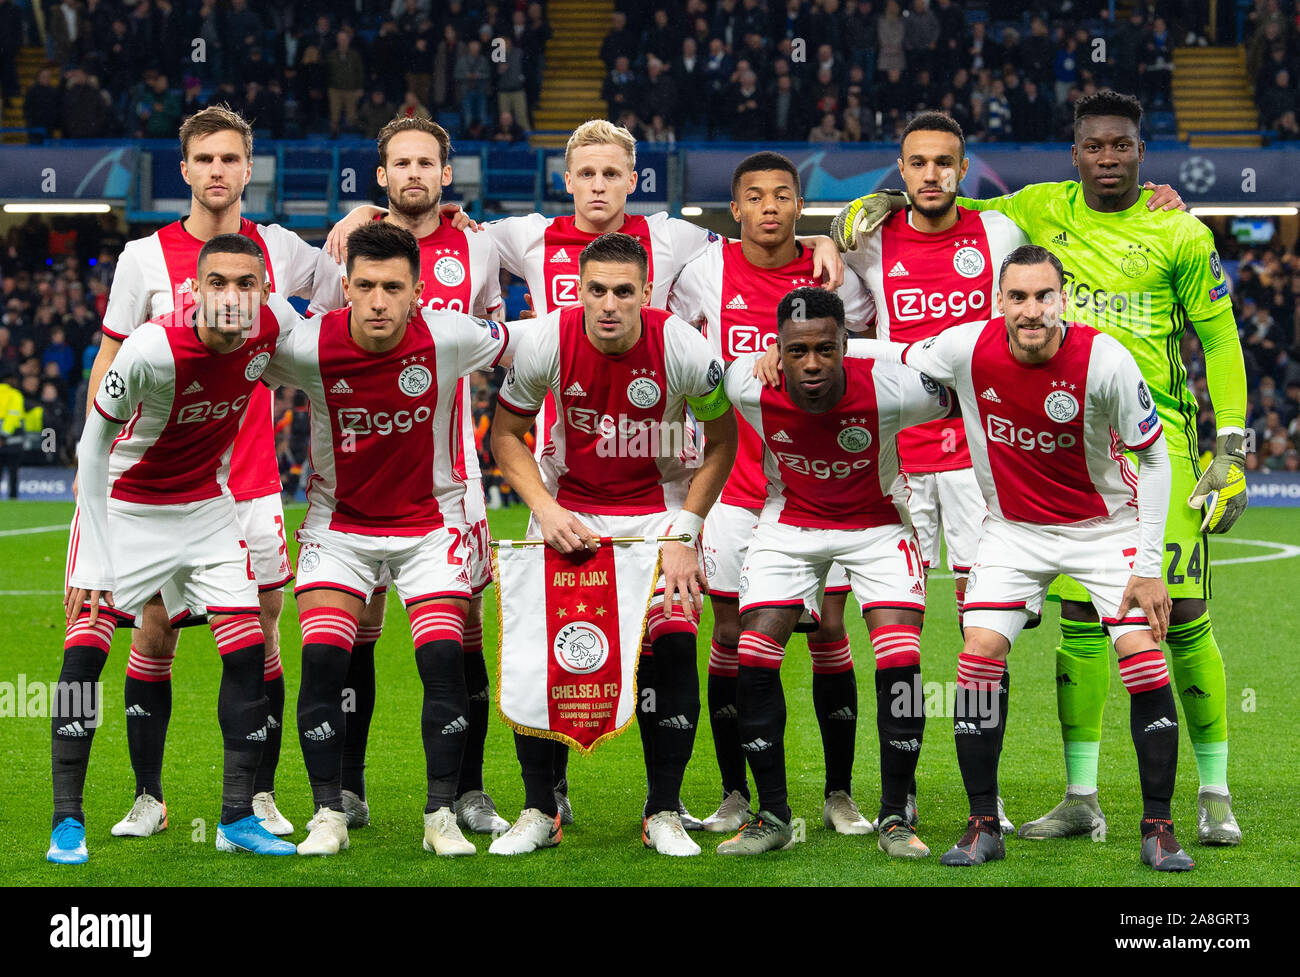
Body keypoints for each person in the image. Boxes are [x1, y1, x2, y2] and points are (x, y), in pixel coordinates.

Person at [833, 91, 1244, 846]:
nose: (1109, 158)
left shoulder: (1155, 265)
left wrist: (1234, 449)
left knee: (1174, 621)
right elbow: (937, 206)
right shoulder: (1024, 231)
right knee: (1040, 640)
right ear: (1076, 151)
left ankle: (1198, 801)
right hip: (1028, 496)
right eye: (1095, 146)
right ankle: (1040, 805)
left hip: (1139, 465)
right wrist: (876, 204)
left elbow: (1206, 363)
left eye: (1123, 146)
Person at [847, 245, 1192, 872]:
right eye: (1018, 297)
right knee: (977, 655)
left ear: (1063, 299)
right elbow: (892, 352)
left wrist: (1146, 565)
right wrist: (799, 348)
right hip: (1012, 529)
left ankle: (1159, 825)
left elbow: (1155, 456)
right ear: (998, 300)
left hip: (1102, 527)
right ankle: (983, 823)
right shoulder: (967, 348)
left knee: (1140, 656)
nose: (1031, 311)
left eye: (1043, 296)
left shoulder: (1105, 359)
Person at [83, 106, 373, 843]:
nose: (217, 171)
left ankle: (259, 796)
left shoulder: (277, 249)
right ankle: (150, 796)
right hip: (163, 480)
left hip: (248, 482)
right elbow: (111, 357)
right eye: (204, 159)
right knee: (154, 631)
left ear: (250, 169)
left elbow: (354, 271)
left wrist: (366, 211)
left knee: (262, 634)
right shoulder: (143, 258)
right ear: (184, 170)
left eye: (230, 159)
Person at [267, 221, 519, 858]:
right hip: (338, 529)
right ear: (344, 287)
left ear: (416, 291)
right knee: (324, 660)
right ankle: (328, 812)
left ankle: (441, 815)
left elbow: (538, 345)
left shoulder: (450, 334)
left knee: (442, 662)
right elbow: (225, 351)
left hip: (428, 529)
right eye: (366, 286)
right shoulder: (305, 345)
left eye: (393, 288)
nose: (379, 301)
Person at [50, 235, 304, 863]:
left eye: (247, 283)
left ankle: (237, 816)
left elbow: (333, 350)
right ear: (196, 290)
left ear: (265, 292)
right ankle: (67, 821)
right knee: (85, 655)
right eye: (218, 282)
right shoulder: (150, 349)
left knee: (247, 651)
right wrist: (94, 559)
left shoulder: (272, 329)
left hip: (207, 509)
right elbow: (90, 447)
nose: (233, 297)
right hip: (125, 504)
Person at [487, 233, 737, 856]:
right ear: (579, 288)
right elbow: (507, 435)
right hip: (570, 513)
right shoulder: (547, 337)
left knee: (674, 642)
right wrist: (543, 508)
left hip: (658, 516)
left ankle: (662, 812)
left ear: (646, 293)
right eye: (595, 289)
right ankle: (541, 809)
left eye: (624, 292)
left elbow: (723, 442)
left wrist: (685, 532)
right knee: (537, 656)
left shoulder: (681, 344)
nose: (608, 304)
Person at [311, 116, 509, 836]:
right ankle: (349, 789)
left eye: (428, 162)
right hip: (356, 484)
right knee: (353, 633)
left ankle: (469, 791)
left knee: (464, 634)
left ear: (447, 174)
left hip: (452, 485)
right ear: (381, 176)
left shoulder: (480, 245)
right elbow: (316, 345)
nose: (416, 174)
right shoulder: (344, 247)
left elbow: (497, 344)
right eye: (402, 163)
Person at [668, 152, 877, 836]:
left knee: (831, 633)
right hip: (737, 487)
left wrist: (832, 240)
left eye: (782, 196)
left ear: (798, 206)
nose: (767, 207)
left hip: (826, 491)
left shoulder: (832, 274)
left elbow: (868, 352)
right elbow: (663, 327)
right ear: (735, 209)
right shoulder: (705, 271)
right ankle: (735, 792)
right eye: (753, 196)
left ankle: (839, 794)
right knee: (729, 636)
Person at [838, 111, 1028, 832]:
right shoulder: (872, 241)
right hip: (902, 463)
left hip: (984, 462)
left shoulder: (998, 235)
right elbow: (840, 301)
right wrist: (841, 223)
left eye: (944, 162)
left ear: (964, 165)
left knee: (986, 632)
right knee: (900, 637)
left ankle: (987, 792)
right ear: (901, 166)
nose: (930, 175)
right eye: (917, 162)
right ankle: (902, 790)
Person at [720, 286, 955, 857]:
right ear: (775, 349)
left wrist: (876, 352)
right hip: (790, 525)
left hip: (877, 526)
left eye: (826, 349)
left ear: (845, 346)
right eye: (796, 351)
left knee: (900, 659)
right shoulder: (747, 383)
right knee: (751, 658)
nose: (812, 364)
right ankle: (771, 816)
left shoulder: (896, 391)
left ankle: (896, 816)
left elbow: (954, 389)